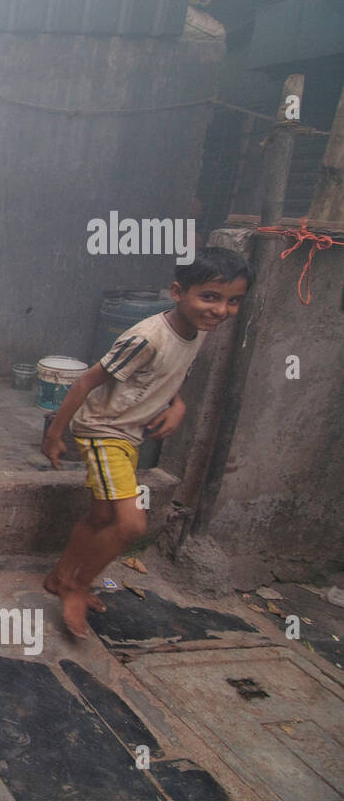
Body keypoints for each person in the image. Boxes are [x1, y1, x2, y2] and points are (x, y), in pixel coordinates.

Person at [41, 248, 253, 638]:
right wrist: (55, 433)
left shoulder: (196, 330)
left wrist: (179, 405)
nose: (221, 310)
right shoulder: (146, 337)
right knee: (132, 524)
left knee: (102, 517)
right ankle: (77, 584)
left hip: (126, 434)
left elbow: (163, 377)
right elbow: (86, 381)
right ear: (177, 292)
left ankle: (58, 576)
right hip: (105, 432)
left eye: (233, 301)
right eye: (210, 296)